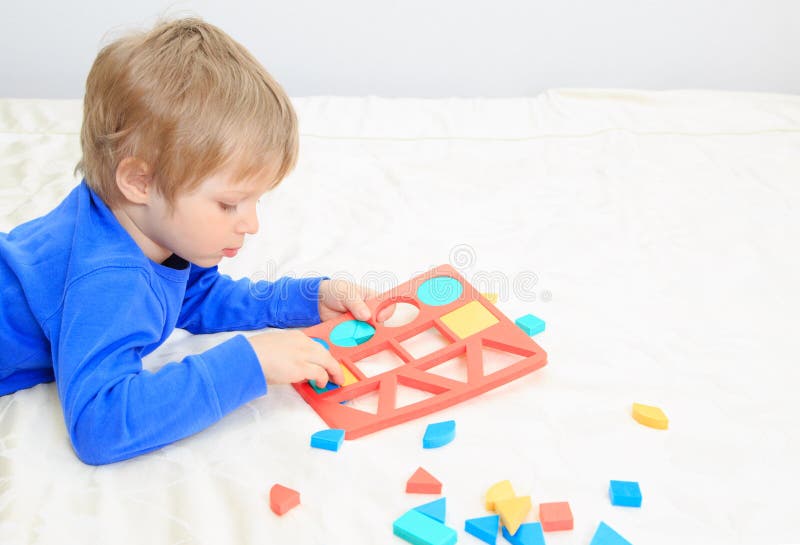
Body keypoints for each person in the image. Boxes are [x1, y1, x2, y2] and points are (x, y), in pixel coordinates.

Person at [0, 17, 391, 465]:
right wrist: (247, 364)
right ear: (139, 182)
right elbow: (100, 424)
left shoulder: (147, 227)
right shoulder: (108, 281)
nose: (251, 224)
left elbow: (196, 298)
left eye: (256, 201)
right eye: (230, 204)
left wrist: (306, 300)